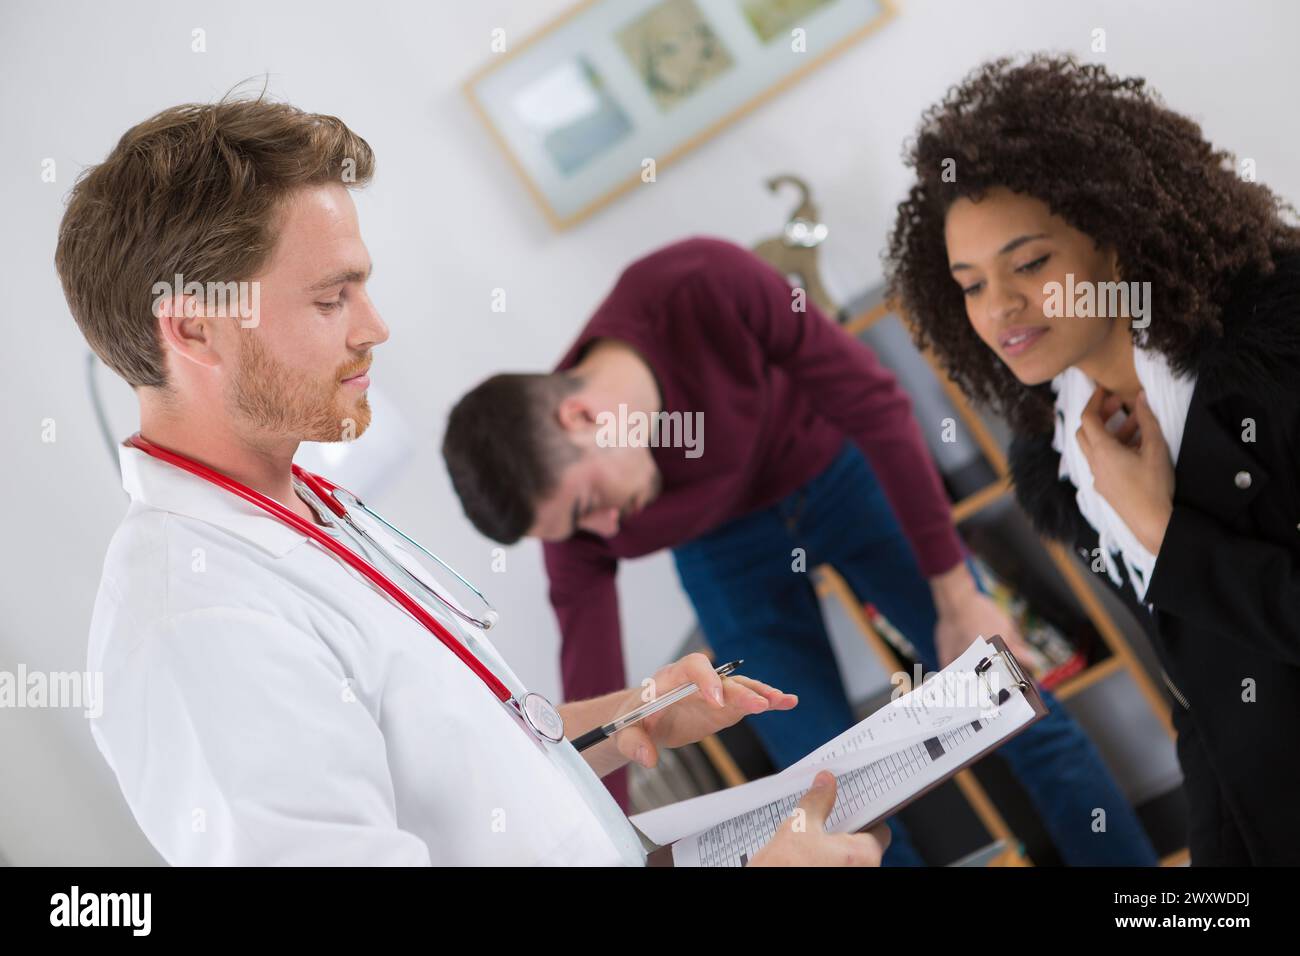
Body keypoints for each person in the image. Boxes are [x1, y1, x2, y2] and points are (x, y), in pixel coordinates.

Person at [56, 95, 886, 867]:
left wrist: (627, 714)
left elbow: (470, 763)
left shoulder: (311, 514)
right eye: (330, 299)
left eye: (363, 285)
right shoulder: (197, 617)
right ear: (196, 329)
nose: (374, 328)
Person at [442, 236, 1156, 865]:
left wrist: (957, 594)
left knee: (1003, 695)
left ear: (585, 416)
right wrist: (608, 841)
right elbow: (604, 717)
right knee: (823, 797)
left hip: (836, 474)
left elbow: (874, 403)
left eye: (587, 507)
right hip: (725, 554)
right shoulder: (578, 512)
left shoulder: (700, 283)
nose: (602, 535)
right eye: (575, 531)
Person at [884, 54, 1300, 865]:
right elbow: (1208, 703)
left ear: (1117, 235)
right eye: (969, 284)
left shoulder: (1278, 362)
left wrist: (1162, 531)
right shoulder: (1066, 464)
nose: (1000, 308)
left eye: (1030, 264)